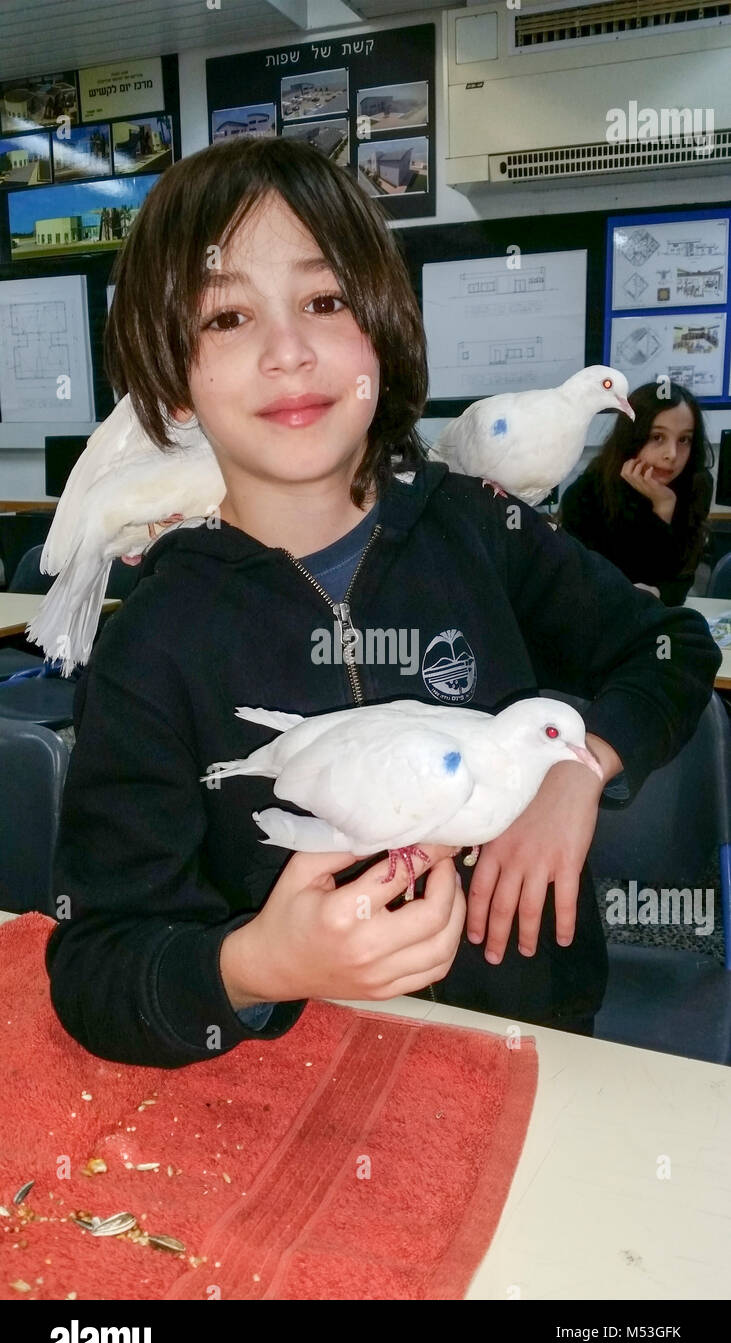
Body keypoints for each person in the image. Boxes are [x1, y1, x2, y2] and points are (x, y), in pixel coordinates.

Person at [45, 138, 721, 1068]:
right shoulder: (154, 645)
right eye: (228, 318)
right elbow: (95, 966)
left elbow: (670, 646)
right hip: (296, 1091)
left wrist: (579, 766)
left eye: (324, 302)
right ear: (174, 378)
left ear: (382, 329)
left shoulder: (478, 528)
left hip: (534, 1046)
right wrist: (254, 965)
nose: (288, 352)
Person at [558, 381, 714, 604]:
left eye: (684, 440)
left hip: (658, 617)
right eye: (657, 437)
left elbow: (678, 582)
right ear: (632, 436)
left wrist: (663, 507)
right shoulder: (586, 493)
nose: (671, 454)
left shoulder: (696, 485)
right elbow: (584, 585)